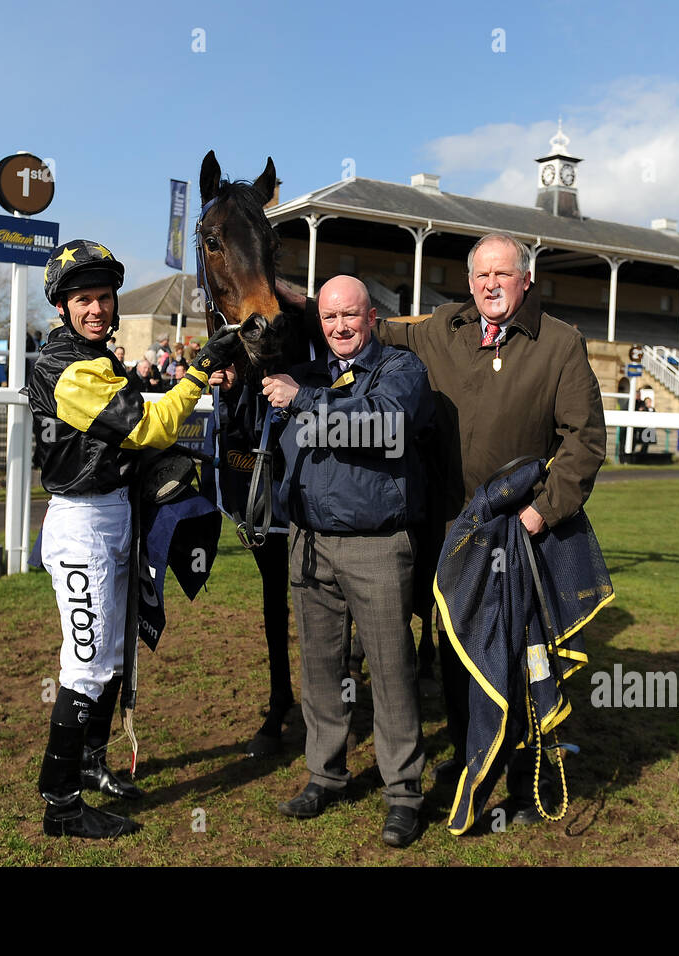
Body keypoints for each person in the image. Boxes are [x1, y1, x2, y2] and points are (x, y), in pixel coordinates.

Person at [375, 232, 607, 825]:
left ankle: (531, 780)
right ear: (469, 280)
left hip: (520, 535)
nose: (491, 286)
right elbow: (362, 328)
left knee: (521, 655)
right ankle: (471, 757)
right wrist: (292, 300)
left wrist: (539, 512)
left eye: (503, 275)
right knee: (458, 653)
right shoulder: (442, 328)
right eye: (481, 276)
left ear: (526, 279)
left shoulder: (560, 343)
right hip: (453, 532)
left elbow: (584, 440)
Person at [28, 238, 241, 839]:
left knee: (116, 653)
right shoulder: (64, 367)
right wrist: (199, 368)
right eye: (83, 300)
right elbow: (147, 426)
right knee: (88, 665)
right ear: (63, 307)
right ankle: (61, 805)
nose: (95, 308)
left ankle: (92, 762)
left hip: (117, 516)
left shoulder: (100, 359)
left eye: (103, 297)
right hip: (83, 526)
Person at [261, 275, 433, 849]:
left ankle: (404, 792)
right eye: (330, 317)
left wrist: (304, 401)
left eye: (350, 316)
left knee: (389, 672)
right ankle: (324, 772)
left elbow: (377, 425)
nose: (339, 327)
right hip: (310, 542)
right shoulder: (310, 375)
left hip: (378, 547)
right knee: (321, 668)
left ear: (372, 318)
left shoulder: (402, 372)